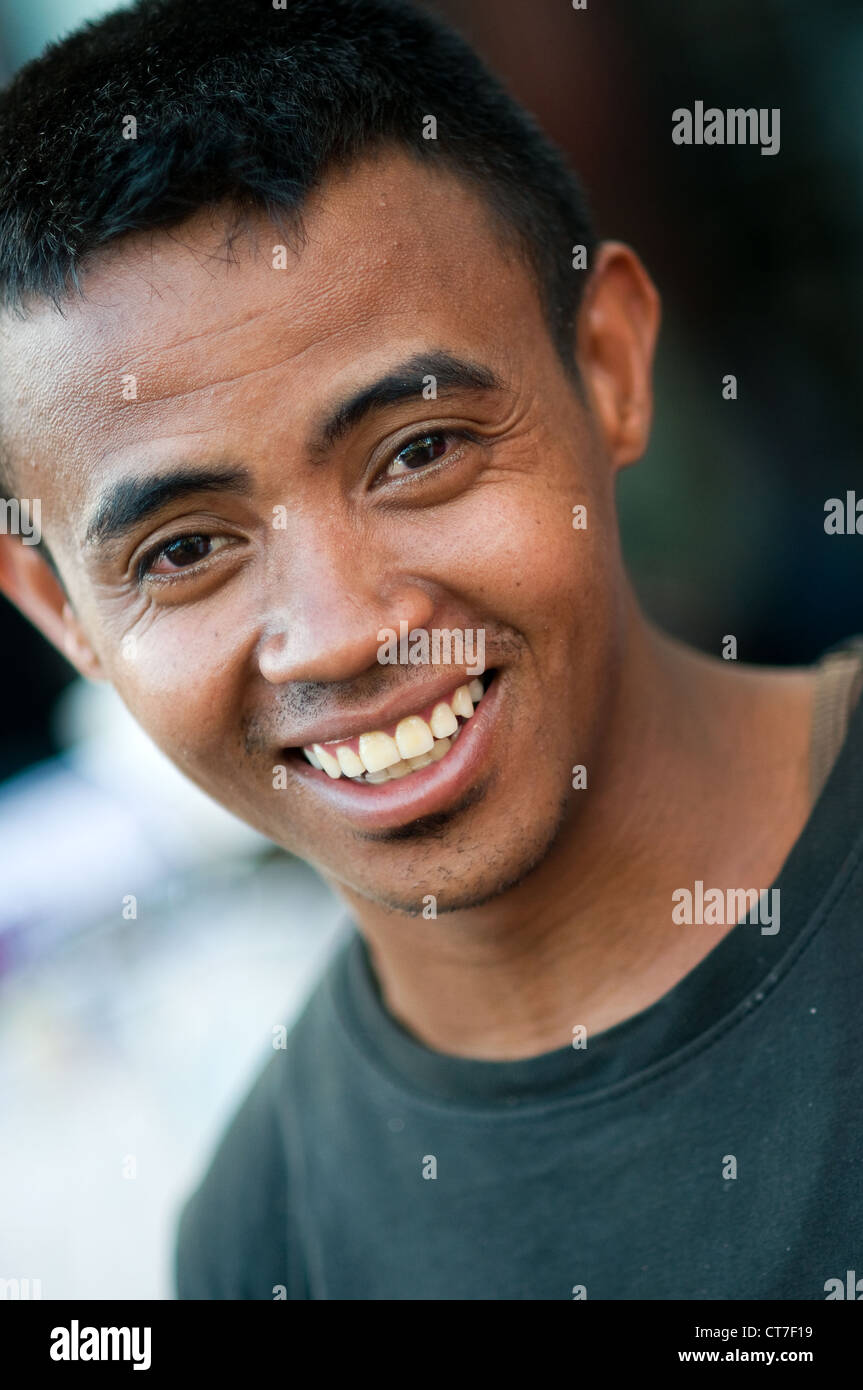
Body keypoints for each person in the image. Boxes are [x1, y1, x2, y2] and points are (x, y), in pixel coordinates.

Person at [0, 0, 860, 1301]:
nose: (343, 627)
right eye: (184, 549)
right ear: (65, 613)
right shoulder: (267, 1235)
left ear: (613, 365)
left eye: (420, 451)